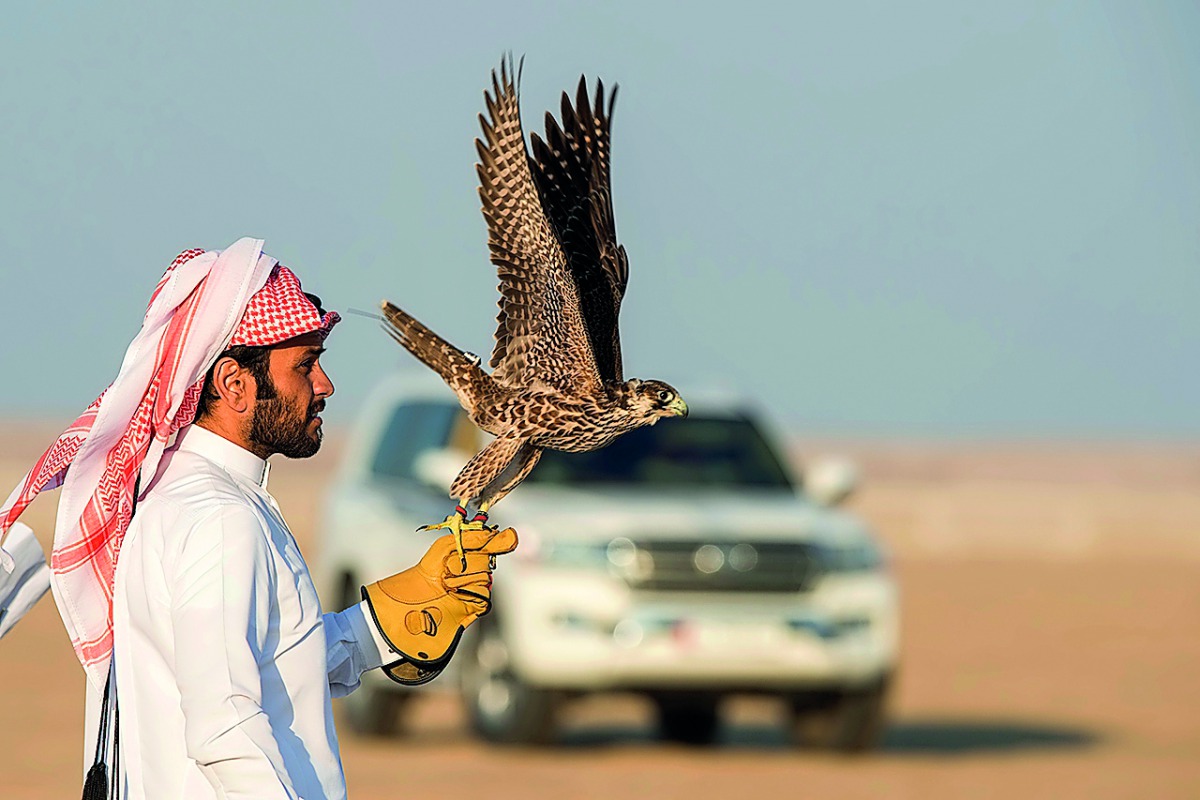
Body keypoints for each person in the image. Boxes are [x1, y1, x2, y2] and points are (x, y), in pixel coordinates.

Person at [0, 238, 516, 799]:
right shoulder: (218, 517)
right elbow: (225, 726)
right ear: (233, 383)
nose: (325, 385)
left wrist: (393, 621)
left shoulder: (184, 495)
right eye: (305, 365)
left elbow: (271, 674)